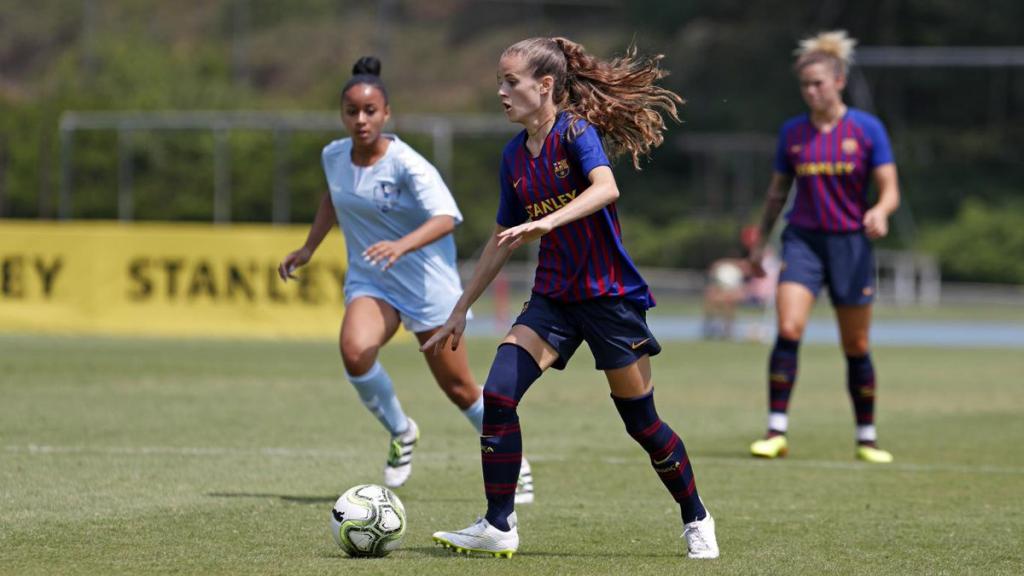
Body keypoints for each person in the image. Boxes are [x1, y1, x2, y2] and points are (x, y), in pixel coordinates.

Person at [423, 37, 719, 560]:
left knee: (642, 423)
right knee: (499, 393)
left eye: (510, 82)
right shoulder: (514, 155)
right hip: (554, 299)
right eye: (500, 81)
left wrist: (548, 219)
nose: (501, 91)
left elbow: (606, 188)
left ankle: (696, 517)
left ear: (545, 86)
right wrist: (460, 308)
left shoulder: (575, 132)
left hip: (608, 298)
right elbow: (500, 239)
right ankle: (498, 524)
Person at [278, 56, 533, 501]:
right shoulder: (333, 156)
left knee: (458, 388)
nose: (361, 119)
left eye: (370, 111)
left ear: (386, 113)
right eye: (352, 111)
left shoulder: (408, 164)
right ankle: (401, 430)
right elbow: (332, 200)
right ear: (342, 114)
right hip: (372, 281)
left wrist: (400, 246)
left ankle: (514, 460)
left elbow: (446, 217)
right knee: (355, 352)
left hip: (427, 286)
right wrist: (308, 248)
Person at [746, 31, 901, 463]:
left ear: (839, 81)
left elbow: (889, 190)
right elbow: (777, 194)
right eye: (805, 85)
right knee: (790, 328)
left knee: (855, 344)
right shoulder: (792, 132)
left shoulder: (868, 130)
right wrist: (760, 244)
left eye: (818, 83)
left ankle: (866, 437)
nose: (811, 91)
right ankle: (776, 431)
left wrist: (881, 211)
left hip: (851, 245)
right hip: (804, 242)